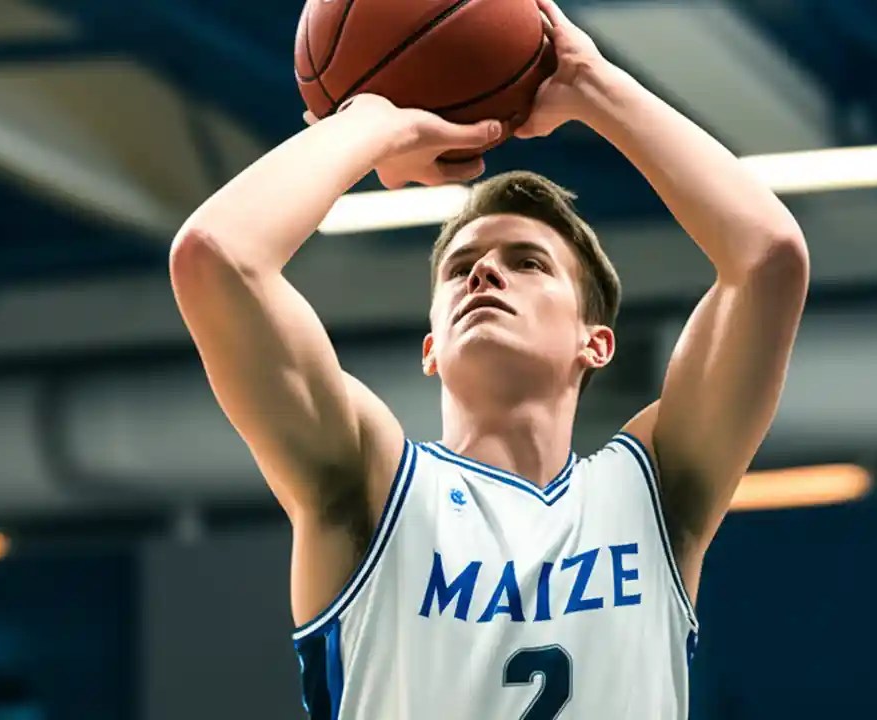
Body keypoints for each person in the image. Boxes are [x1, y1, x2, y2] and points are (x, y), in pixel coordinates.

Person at [168, 1, 809, 717]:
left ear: (593, 342)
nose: (484, 275)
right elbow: (215, 258)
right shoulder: (372, 485)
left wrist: (594, 86)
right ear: (431, 346)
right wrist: (375, 120)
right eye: (462, 266)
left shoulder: (652, 492)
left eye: (527, 262)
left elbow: (770, 259)